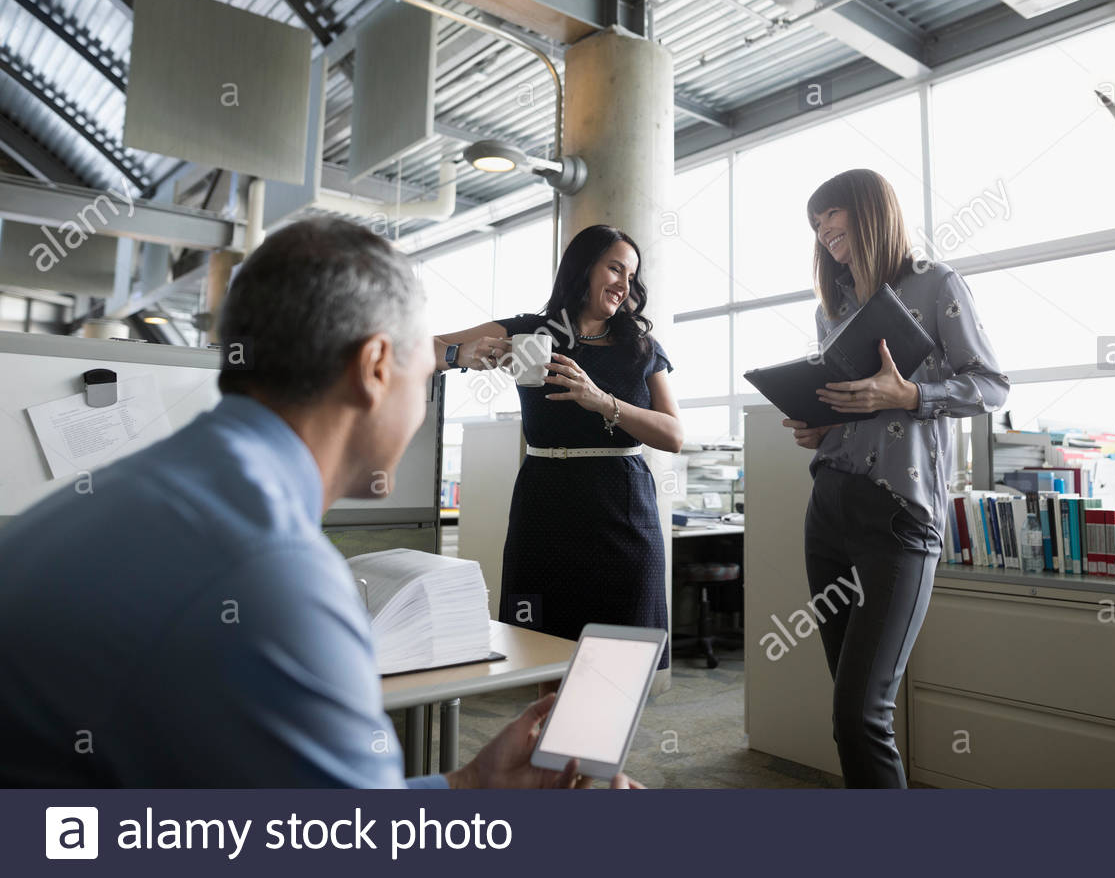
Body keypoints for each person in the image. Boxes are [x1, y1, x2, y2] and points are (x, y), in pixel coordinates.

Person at [0, 217, 636, 788]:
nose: (424, 395)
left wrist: (469, 785)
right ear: (374, 367)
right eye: (427, 369)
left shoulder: (133, 492)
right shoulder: (275, 572)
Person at [784, 169, 1010, 788]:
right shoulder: (831, 310)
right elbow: (851, 410)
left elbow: (991, 387)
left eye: (833, 213)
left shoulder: (937, 284)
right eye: (816, 222)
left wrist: (911, 394)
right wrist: (819, 427)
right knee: (846, 712)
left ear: (871, 210)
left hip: (898, 517)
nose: (824, 229)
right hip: (828, 509)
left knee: (862, 716)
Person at [434, 225, 683, 674]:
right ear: (583, 267)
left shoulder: (641, 348)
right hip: (545, 508)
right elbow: (422, 348)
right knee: (544, 652)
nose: (625, 284)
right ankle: (551, 745)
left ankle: (599, 745)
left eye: (632, 275)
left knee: (621, 658)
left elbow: (673, 435)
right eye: (615, 267)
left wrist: (602, 401)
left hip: (623, 514)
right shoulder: (531, 332)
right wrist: (460, 355)